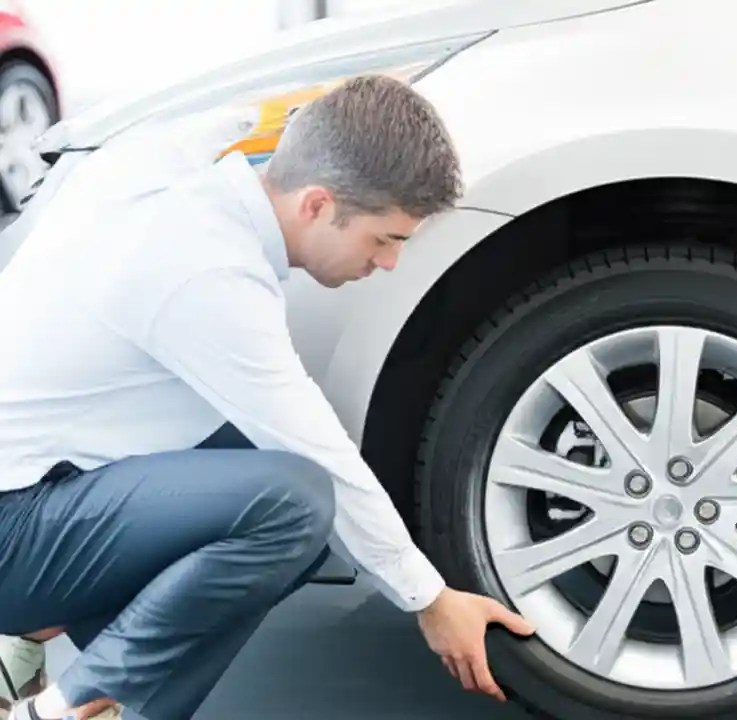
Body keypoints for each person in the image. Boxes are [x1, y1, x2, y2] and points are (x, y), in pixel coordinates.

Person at [0, 74, 534, 720]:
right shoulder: (209, 272)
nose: (389, 262)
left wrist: (359, 97)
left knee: (306, 510)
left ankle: (43, 650)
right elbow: (317, 447)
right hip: (13, 528)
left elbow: (248, 112)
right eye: (385, 238)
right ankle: (64, 713)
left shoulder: (173, 161)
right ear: (315, 205)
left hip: (40, 487)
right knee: (295, 499)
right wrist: (431, 601)